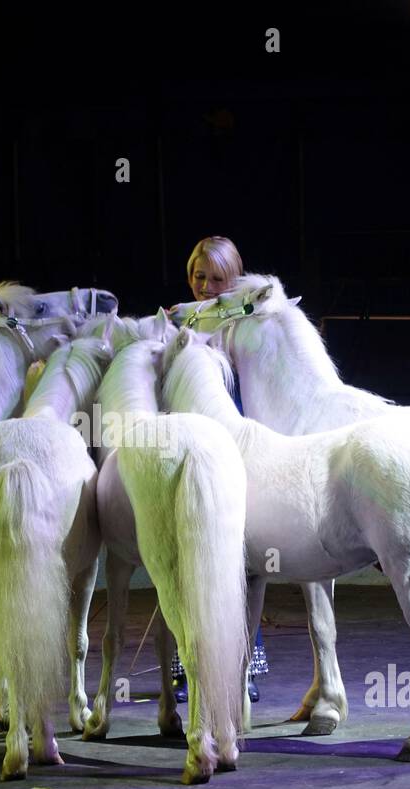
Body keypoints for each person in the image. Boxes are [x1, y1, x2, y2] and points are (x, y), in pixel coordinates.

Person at [168, 236, 269, 703]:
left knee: (242, 565)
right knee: (186, 562)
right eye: (199, 276)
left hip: (235, 452)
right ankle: (189, 668)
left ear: (234, 280)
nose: (206, 287)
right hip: (187, 452)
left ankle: (243, 666)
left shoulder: (245, 325)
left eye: (216, 279)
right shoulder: (175, 320)